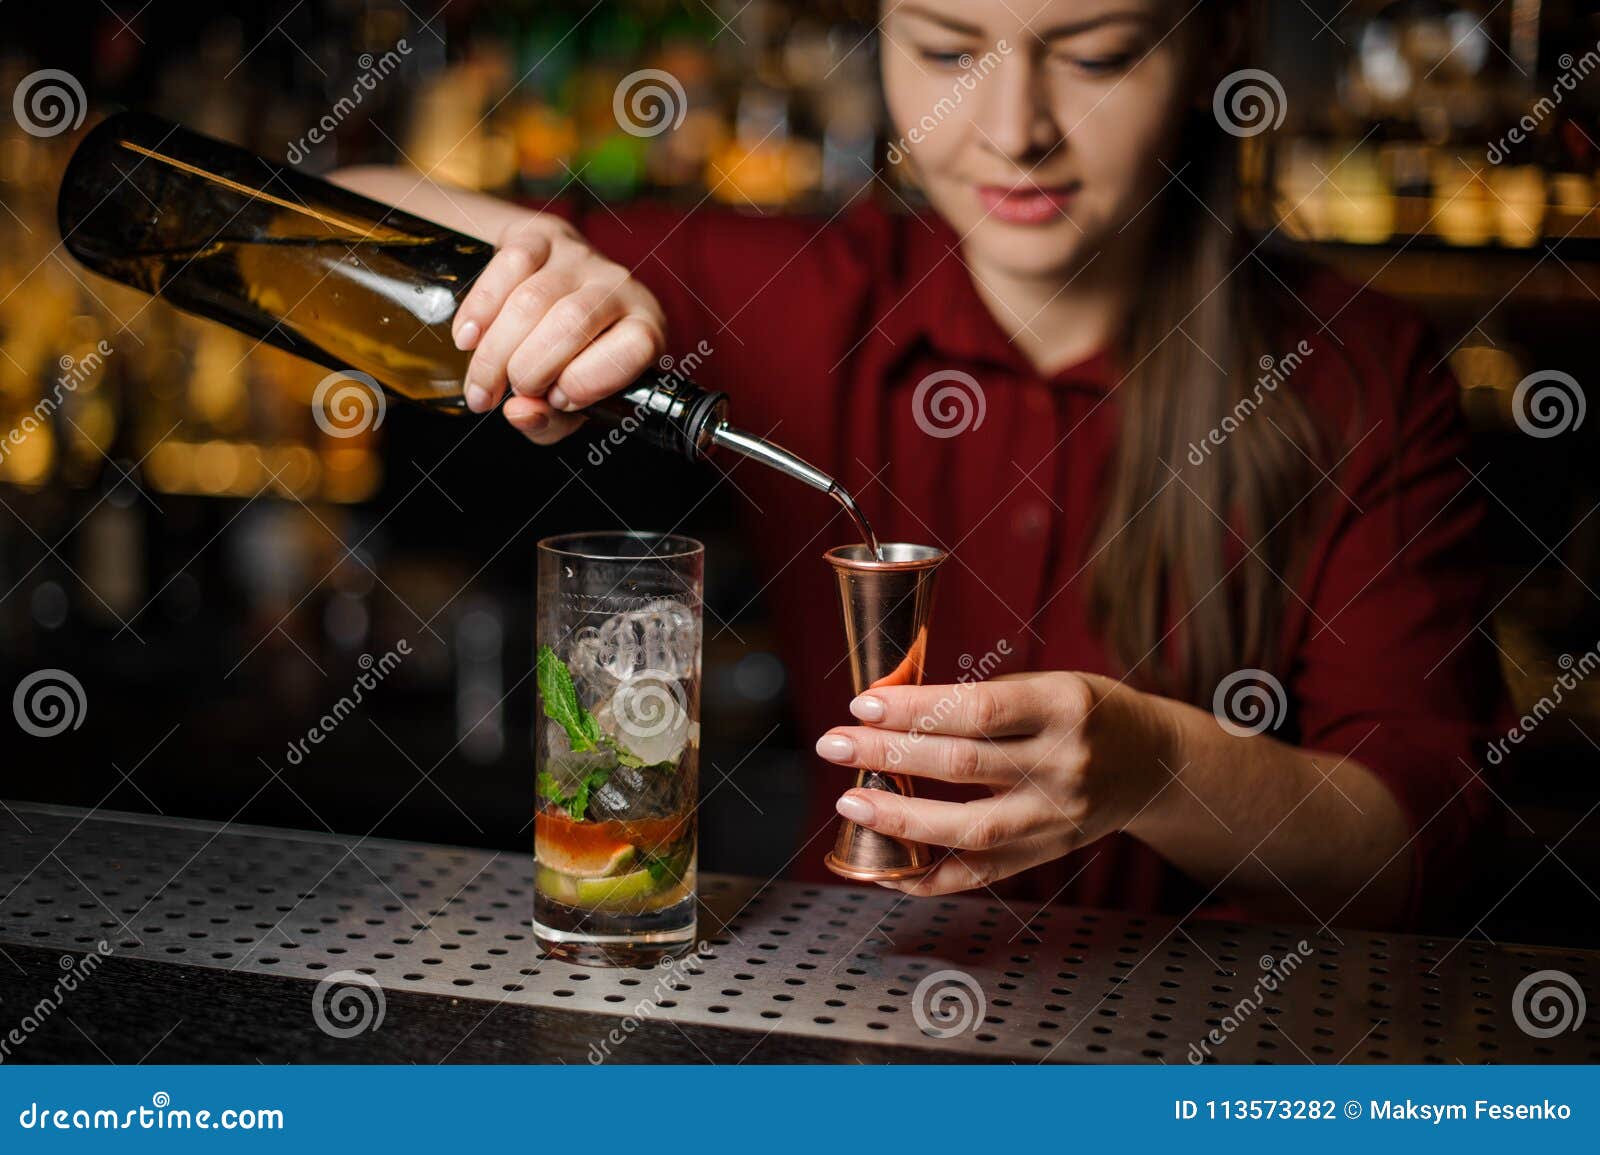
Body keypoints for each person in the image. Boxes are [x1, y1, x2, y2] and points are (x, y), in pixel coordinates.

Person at [335, 0, 1508, 931]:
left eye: (1095, 57)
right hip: (845, 1018)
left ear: (1216, 47)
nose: (1012, 127)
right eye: (947, 49)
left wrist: (1158, 769)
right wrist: (534, 261)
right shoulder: (796, 292)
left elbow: (1420, 854)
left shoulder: (1355, 370)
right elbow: (326, 215)